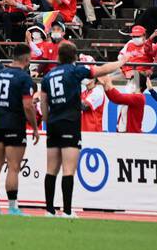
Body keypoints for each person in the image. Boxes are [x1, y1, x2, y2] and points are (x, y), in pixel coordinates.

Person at [40, 42, 122, 216]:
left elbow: (43, 103)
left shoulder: (48, 77)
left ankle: (49, 210)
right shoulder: (75, 71)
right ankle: (68, 211)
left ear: (58, 57)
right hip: (69, 123)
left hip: (53, 124)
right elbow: (102, 70)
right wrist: (122, 62)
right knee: (68, 169)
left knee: (51, 169)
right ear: (74, 57)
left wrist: (48, 121)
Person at [0, 47, 39, 216]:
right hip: (15, 125)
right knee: (13, 167)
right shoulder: (25, 78)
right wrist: (35, 127)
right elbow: (27, 106)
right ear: (27, 60)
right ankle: (12, 207)